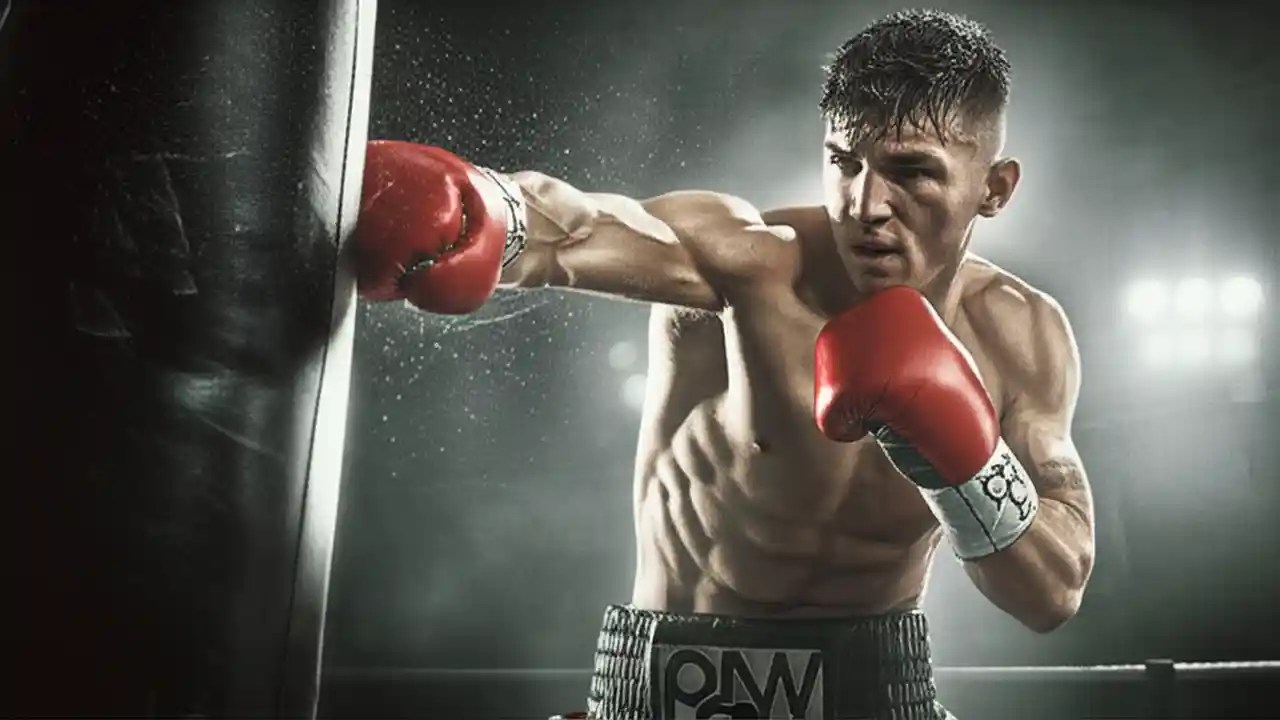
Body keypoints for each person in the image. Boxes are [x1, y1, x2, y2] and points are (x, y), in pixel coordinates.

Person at [353, 8, 1095, 719]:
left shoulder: (1020, 337)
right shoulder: (750, 263)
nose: (867, 204)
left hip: (874, 694)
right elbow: (578, 229)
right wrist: (485, 209)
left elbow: (1052, 592)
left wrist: (966, 463)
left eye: (912, 173)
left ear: (993, 189)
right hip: (667, 686)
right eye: (845, 163)